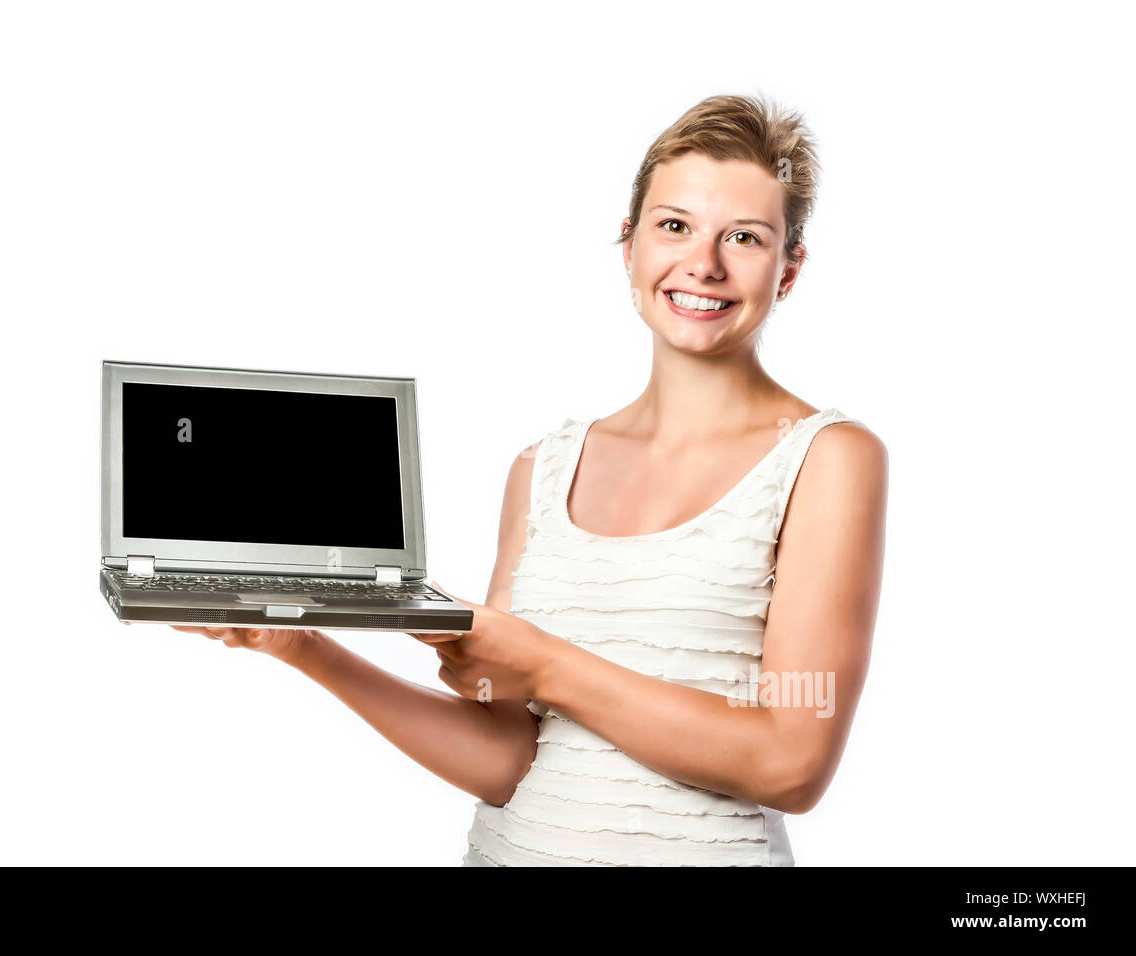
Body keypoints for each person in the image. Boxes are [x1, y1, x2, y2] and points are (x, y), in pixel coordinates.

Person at [174, 93, 888, 866]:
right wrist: (302, 646)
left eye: (744, 237)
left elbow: (791, 765)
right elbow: (506, 760)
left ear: (789, 270)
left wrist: (544, 662)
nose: (703, 264)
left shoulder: (826, 458)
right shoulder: (543, 467)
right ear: (629, 245)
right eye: (674, 226)